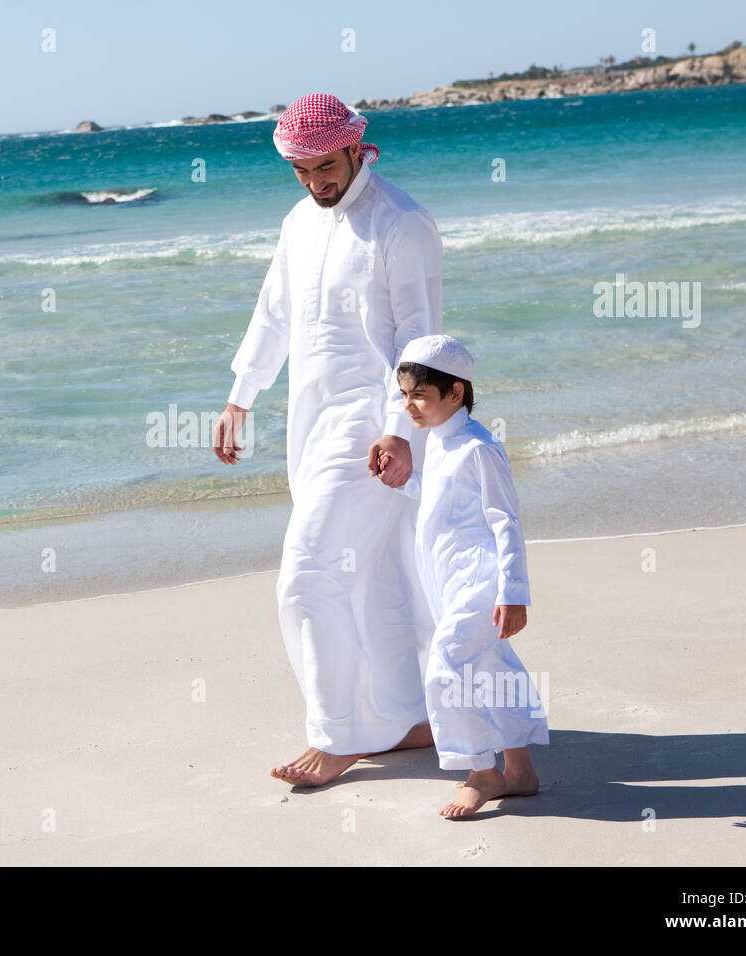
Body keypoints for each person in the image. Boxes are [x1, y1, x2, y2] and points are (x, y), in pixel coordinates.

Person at [212, 93, 443, 786]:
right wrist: (240, 397)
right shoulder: (298, 222)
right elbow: (274, 314)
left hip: (375, 423)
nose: (316, 182)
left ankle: (337, 734)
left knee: (308, 572)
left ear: (356, 148)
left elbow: (418, 337)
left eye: (325, 167)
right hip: (310, 425)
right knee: (368, 572)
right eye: (302, 171)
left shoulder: (400, 223)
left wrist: (402, 429)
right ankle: (404, 717)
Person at [378, 334, 548, 817]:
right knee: (491, 669)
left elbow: (506, 521)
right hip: (448, 579)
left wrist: (514, 593)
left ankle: (481, 771)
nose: (409, 406)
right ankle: (520, 771)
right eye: (404, 394)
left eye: (420, 395)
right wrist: (404, 480)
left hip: (482, 580)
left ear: (456, 393)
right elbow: (443, 502)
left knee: (446, 668)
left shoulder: (480, 447)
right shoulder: (438, 442)